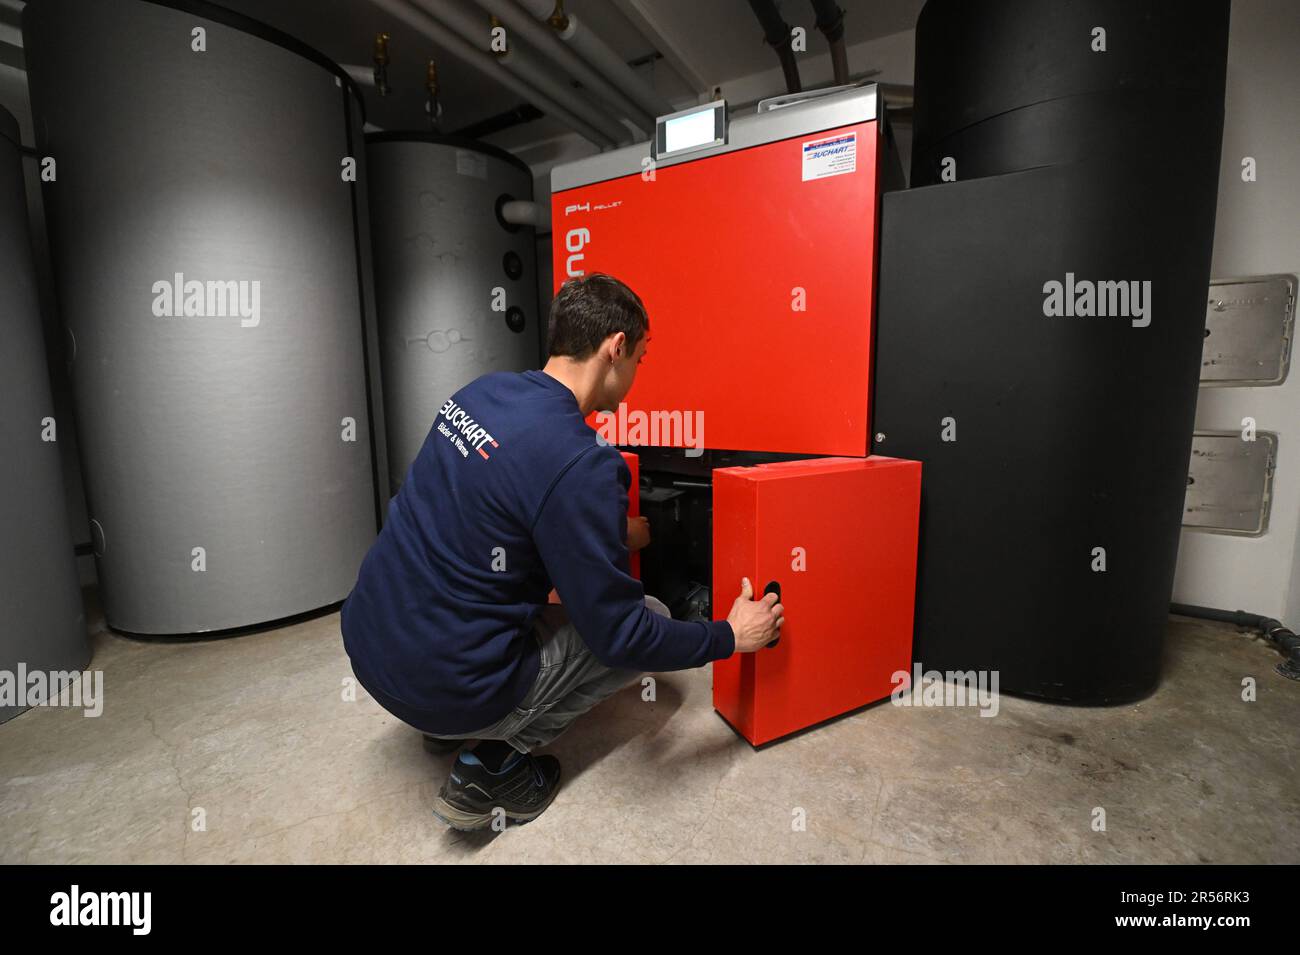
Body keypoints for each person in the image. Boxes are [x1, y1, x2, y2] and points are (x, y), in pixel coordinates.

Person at [341, 273, 783, 831]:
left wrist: (607, 532)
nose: (635, 377)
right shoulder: (584, 461)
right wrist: (729, 637)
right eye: (640, 360)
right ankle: (494, 766)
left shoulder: (477, 396)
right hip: (450, 684)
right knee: (652, 617)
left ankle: (445, 723)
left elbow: (492, 508)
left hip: (370, 644)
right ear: (615, 348)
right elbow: (620, 635)